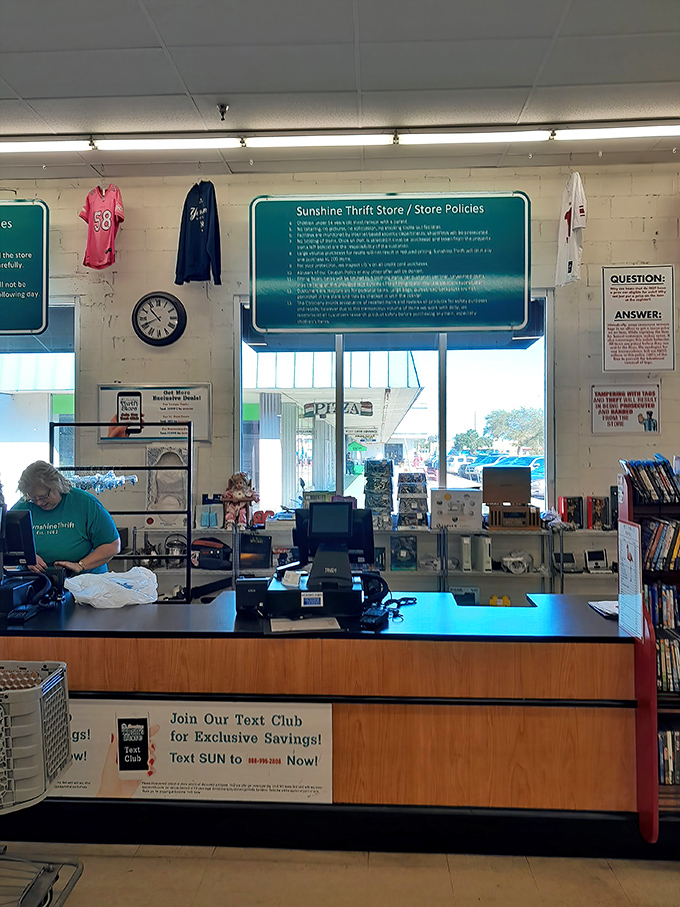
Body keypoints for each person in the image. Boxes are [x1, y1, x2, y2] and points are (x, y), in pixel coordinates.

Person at [12, 461, 120, 575]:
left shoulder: (85, 503)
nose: (38, 503)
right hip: (35, 579)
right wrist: (26, 556)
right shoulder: (23, 507)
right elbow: (7, 542)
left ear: (56, 485)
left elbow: (112, 545)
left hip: (85, 579)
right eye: (33, 499)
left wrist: (80, 565)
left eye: (43, 497)